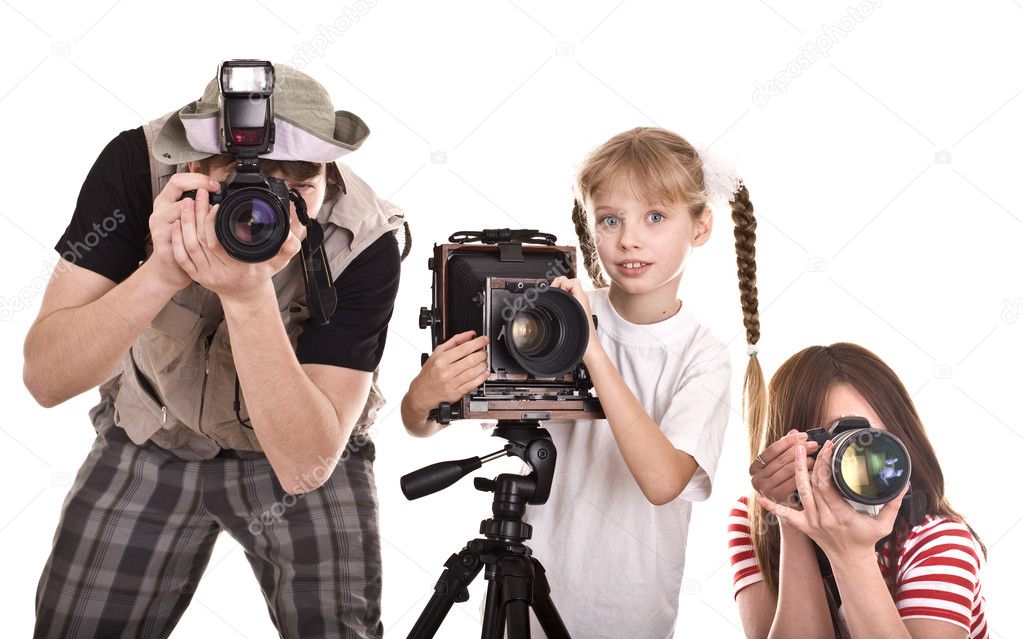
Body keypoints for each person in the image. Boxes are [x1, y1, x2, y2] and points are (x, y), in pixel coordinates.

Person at [24, 63, 406, 638]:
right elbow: (45, 380)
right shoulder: (136, 169)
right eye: (243, 183)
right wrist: (161, 271)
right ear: (193, 166)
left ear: (328, 171)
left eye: (296, 184)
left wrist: (249, 298)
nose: (264, 209)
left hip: (297, 436)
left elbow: (307, 466)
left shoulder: (365, 237)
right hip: (153, 425)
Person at [401, 127, 765, 637]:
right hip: (523, 598)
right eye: (609, 219)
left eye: (655, 217)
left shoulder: (701, 355)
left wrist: (590, 348)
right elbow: (427, 423)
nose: (629, 239)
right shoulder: (547, 315)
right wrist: (424, 395)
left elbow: (663, 483)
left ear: (701, 226)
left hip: (628, 613)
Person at [730, 343, 989, 638]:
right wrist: (791, 515)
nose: (862, 461)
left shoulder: (939, 539)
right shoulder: (754, 520)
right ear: (793, 450)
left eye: (875, 441)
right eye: (839, 441)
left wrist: (853, 554)